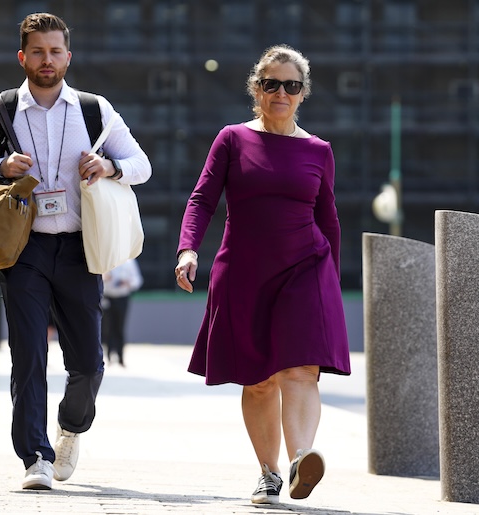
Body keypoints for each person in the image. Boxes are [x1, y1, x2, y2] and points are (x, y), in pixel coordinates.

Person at [0, 12, 151, 490]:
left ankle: (70, 428)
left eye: (55, 51)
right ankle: (35, 458)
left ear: (68, 56)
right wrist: (0, 166)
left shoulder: (93, 109)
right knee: (28, 355)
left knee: (88, 363)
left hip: (80, 249)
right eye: (38, 51)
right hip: (22, 249)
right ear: (23, 56)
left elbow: (140, 165)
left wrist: (107, 165)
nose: (47, 60)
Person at [174, 45, 351, 505]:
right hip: (245, 270)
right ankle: (269, 472)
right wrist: (188, 249)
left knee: (301, 370)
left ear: (302, 94)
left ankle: (301, 459)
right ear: (257, 88)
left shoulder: (319, 151)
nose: (281, 93)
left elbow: (328, 218)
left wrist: (331, 276)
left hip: (305, 267)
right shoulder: (232, 139)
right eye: (272, 83)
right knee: (258, 380)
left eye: (291, 86)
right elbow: (202, 199)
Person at [101, 258, 143, 366]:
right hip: (107, 297)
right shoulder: (106, 259)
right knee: (107, 327)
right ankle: (109, 356)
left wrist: (127, 283)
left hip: (122, 297)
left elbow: (137, 280)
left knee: (120, 327)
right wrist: (104, 278)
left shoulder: (129, 261)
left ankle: (120, 357)